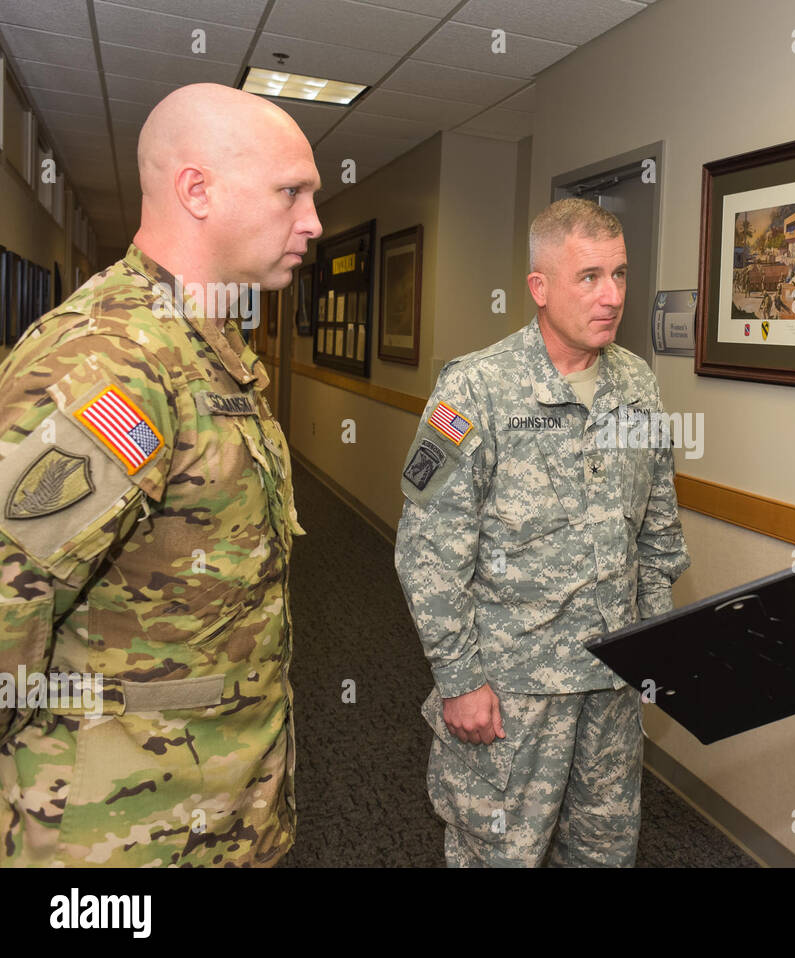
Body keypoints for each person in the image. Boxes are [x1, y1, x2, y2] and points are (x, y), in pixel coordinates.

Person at [0, 84, 321, 866]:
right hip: (120, 836)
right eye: (292, 193)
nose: (313, 222)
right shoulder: (114, 360)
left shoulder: (205, 345)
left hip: (220, 808)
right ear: (197, 190)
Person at [395, 198, 689, 867]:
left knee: (604, 853)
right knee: (501, 854)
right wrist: (460, 680)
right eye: (589, 276)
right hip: (512, 691)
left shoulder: (637, 386)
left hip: (612, 684)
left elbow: (658, 531)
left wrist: (659, 644)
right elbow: (427, 552)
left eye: (619, 274)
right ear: (540, 287)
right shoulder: (474, 389)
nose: (611, 295)